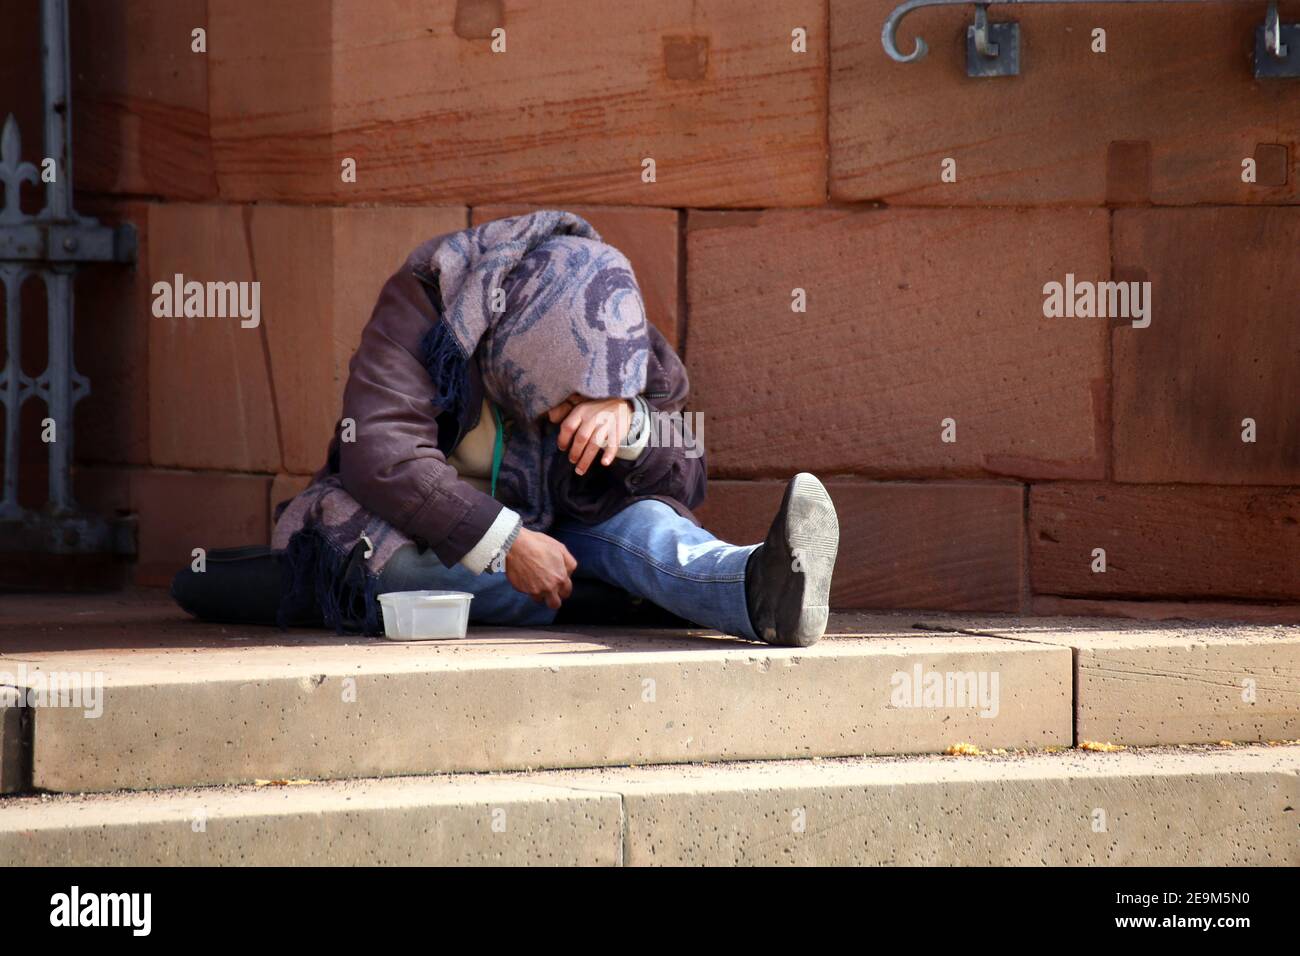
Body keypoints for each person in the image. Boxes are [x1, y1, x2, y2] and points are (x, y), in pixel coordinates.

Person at [171, 211, 839, 646]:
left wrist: (629, 420)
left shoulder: (615, 326)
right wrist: (506, 541)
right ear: (528, 347)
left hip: (575, 521)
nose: (580, 406)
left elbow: (685, 469)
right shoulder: (424, 307)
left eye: (596, 391)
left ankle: (759, 590)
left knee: (653, 532)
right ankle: (626, 600)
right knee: (392, 573)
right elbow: (377, 452)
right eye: (569, 391)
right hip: (430, 530)